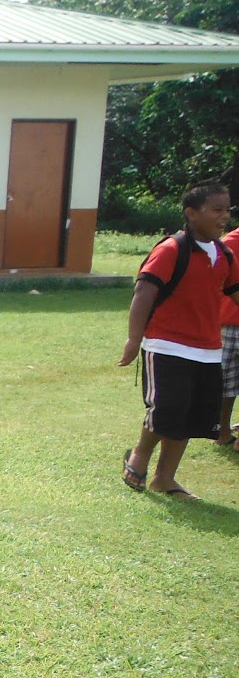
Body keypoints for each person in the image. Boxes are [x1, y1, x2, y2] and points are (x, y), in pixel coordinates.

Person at [119, 181, 239, 500]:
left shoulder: (224, 253)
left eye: (227, 209)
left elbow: (234, 292)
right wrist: (134, 340)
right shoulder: (172, 249)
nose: (224, 216)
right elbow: (144, 293)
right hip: (167, 345)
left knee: (190, 417)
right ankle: (139, 456)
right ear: (191, 213)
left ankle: (165, 479)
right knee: (168, 409)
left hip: (209, 351)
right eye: (216, 209)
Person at [219, 224, 239, 448]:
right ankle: (222, 431)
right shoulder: (228, 244)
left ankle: (224, 432)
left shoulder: (227, 243)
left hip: (225, 322)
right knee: (224, 384)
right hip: (226, 322)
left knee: (225, 383)